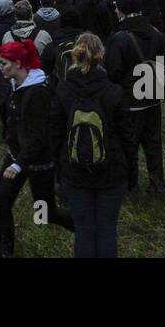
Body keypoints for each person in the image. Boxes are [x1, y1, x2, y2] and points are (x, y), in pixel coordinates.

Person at [50, 33, 131, 257]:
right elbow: (127, 137)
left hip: (74, 171)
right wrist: (130, 170)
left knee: (84, 232)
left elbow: (55, 134)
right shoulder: (114, 92)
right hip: (111, 172)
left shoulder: (64, 90)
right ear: (101, 56)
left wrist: (59, 169)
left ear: (75, 55)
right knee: (106, 231)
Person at [0, 37, 72, 256]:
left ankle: (87, 228)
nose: (0, 68)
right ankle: (3, 250)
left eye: (4, 64)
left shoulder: (38, 93)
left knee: (45, 213)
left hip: (36, 161)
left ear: (19, 64)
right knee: (2, 201)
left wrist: (18, 165)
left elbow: (37, 137)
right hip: (16, 154)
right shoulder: (14, 84)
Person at [104, 0, 165, 195]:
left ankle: (132, 186)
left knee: (128, 144)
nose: (114, 11)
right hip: (153, 96)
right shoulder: (156, 33)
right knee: (153, 143)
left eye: (116, 8)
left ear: (121, 10)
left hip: (130, 100)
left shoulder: (120, 38)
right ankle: (157, 184)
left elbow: (113, 72)